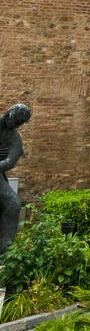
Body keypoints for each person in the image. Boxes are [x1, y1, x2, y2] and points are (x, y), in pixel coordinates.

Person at [0, 103, 32, 253]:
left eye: (19, 123)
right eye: (15, 119)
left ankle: (5, 248)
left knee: (13, 204)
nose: (16, 124)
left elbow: (9, 162)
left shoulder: (14, 138)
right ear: (9, 113)